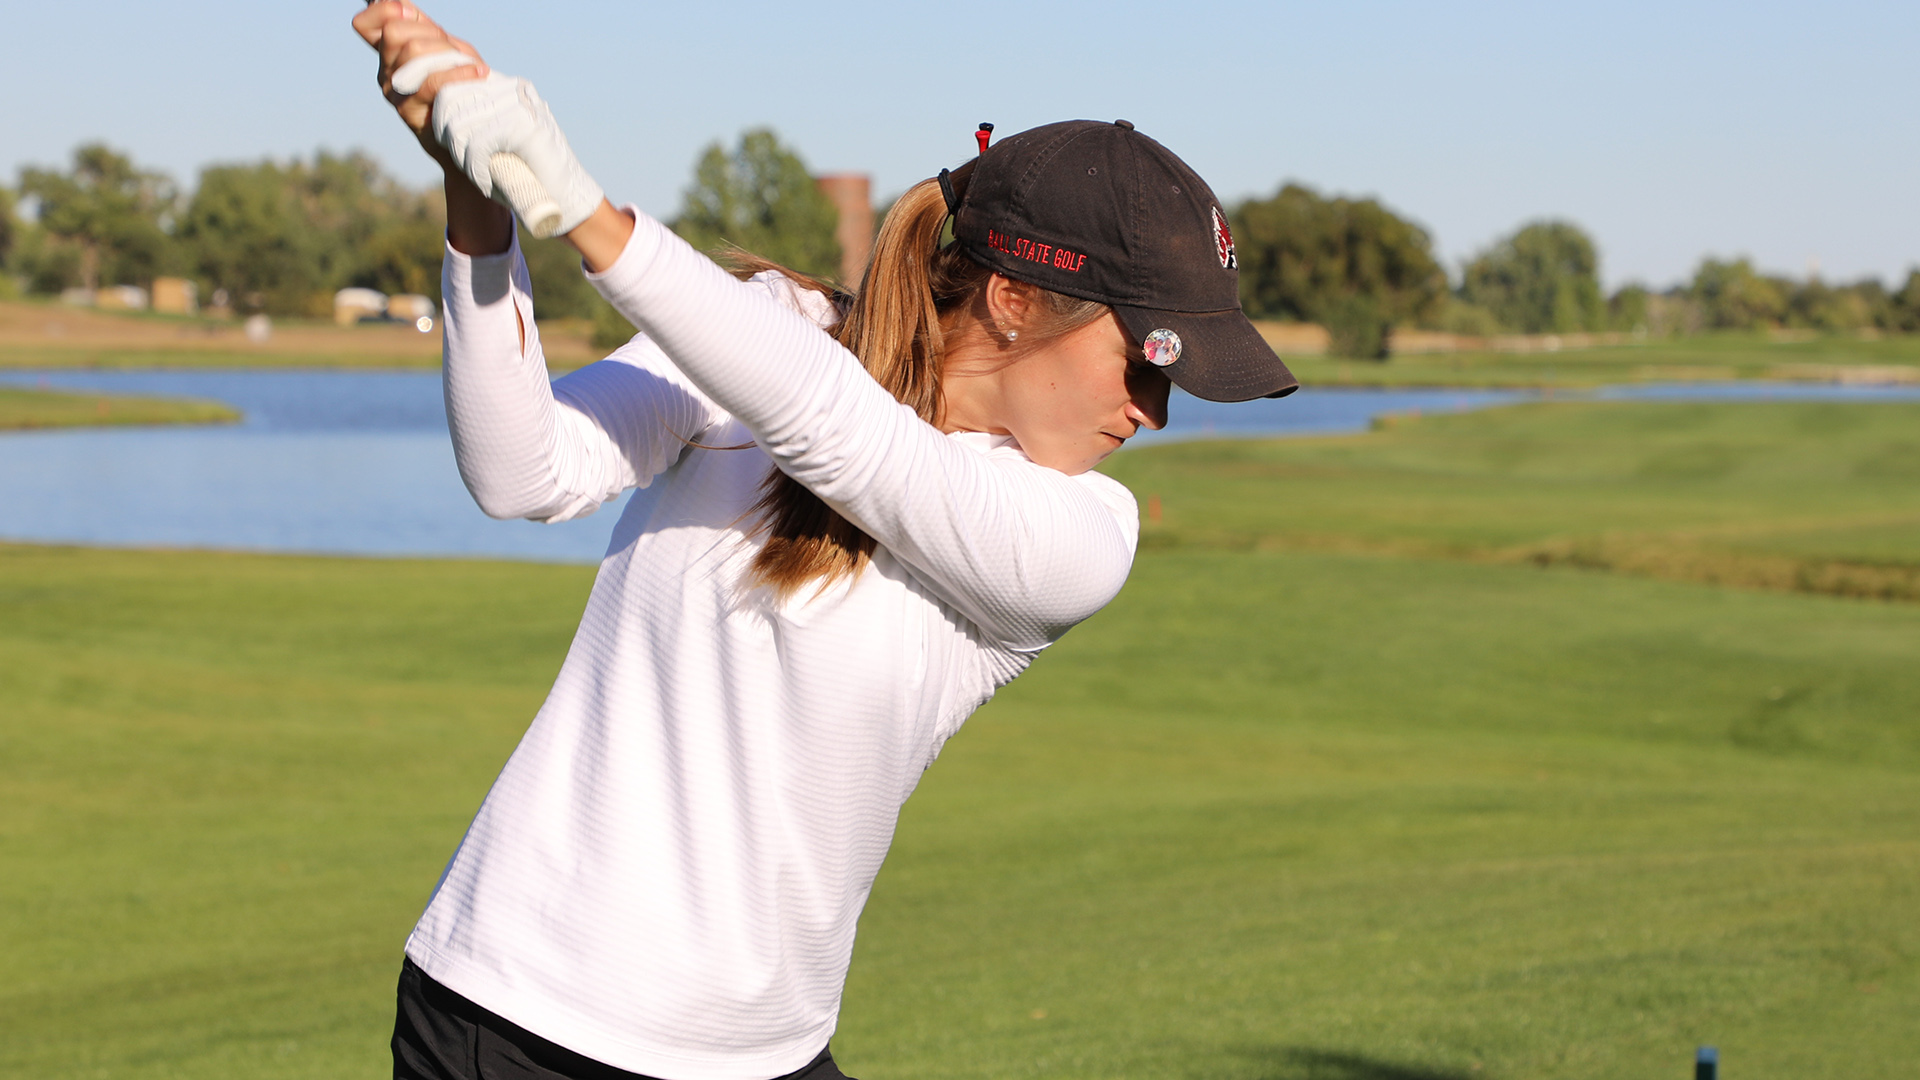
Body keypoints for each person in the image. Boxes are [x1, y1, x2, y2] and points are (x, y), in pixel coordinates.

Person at [351, 5, 1298, 1079]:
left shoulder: (1081, 536)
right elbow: (524, 471)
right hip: (513, 1009)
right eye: (1145, 361)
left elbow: (842, 435)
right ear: (1017, 295)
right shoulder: (776, 328)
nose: (1155, 411)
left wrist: (581, 205)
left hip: (764, 1050)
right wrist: (480, 188)